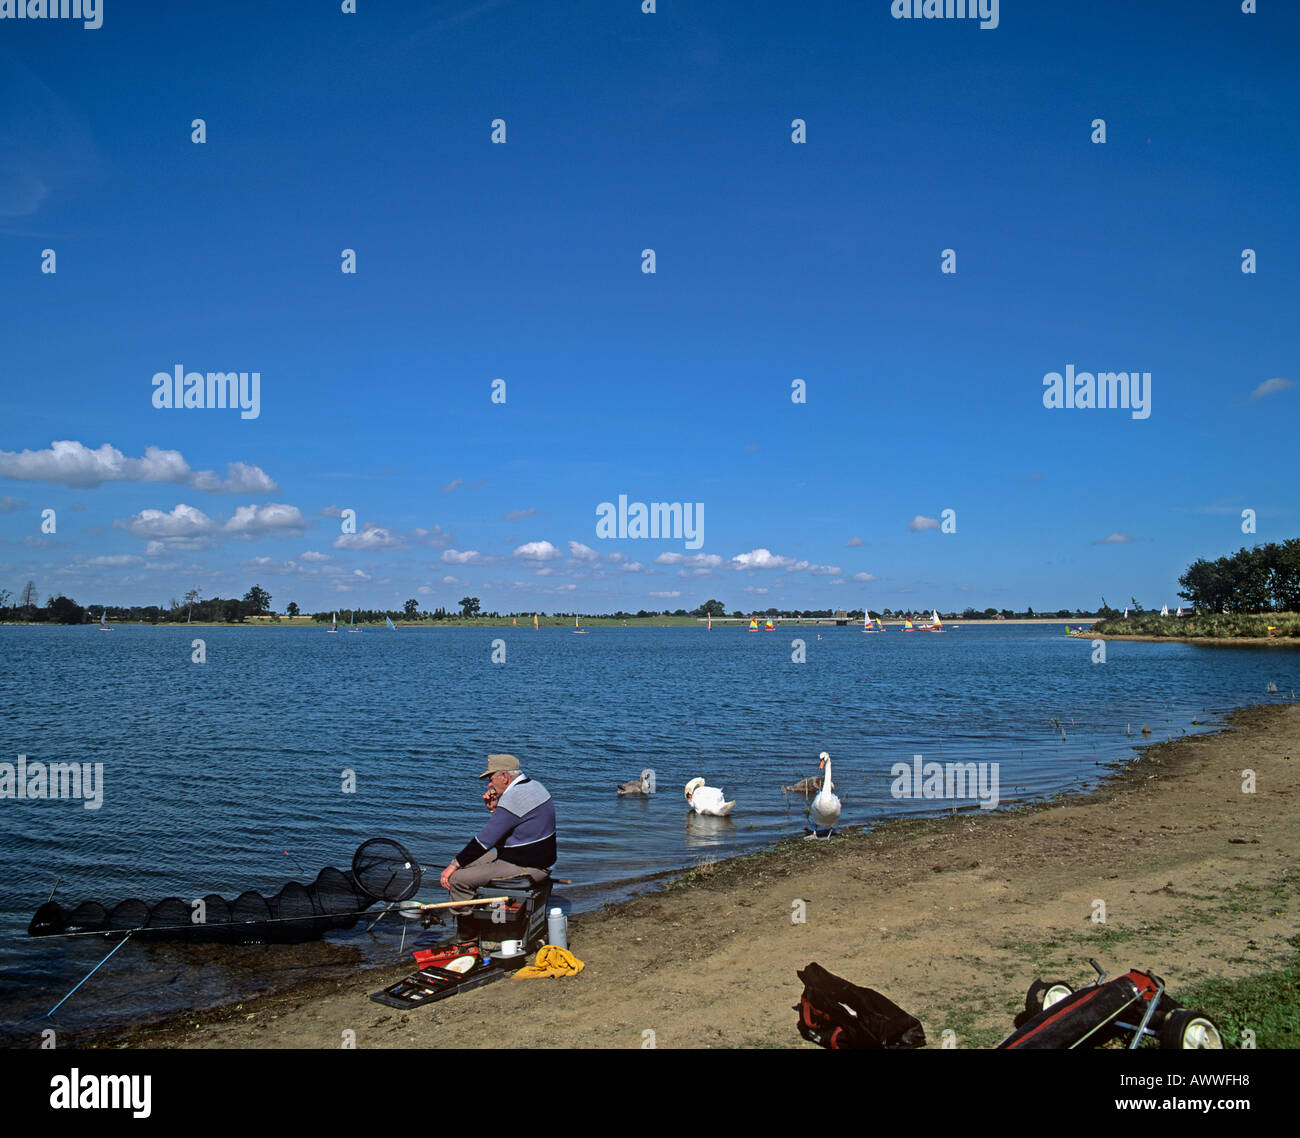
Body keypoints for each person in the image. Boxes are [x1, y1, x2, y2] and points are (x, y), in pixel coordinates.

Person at [439, 754, 555, 903]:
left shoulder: (513, 797)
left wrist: (452, 866)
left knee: (456, 878)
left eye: (491, 778)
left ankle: (467, 920)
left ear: (504, 777)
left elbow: (484, 842)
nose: (489, 784)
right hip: (537, 860)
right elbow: (510, 828)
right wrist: (495, 809)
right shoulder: (535, 785)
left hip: (529, 866)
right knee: (467, 863)